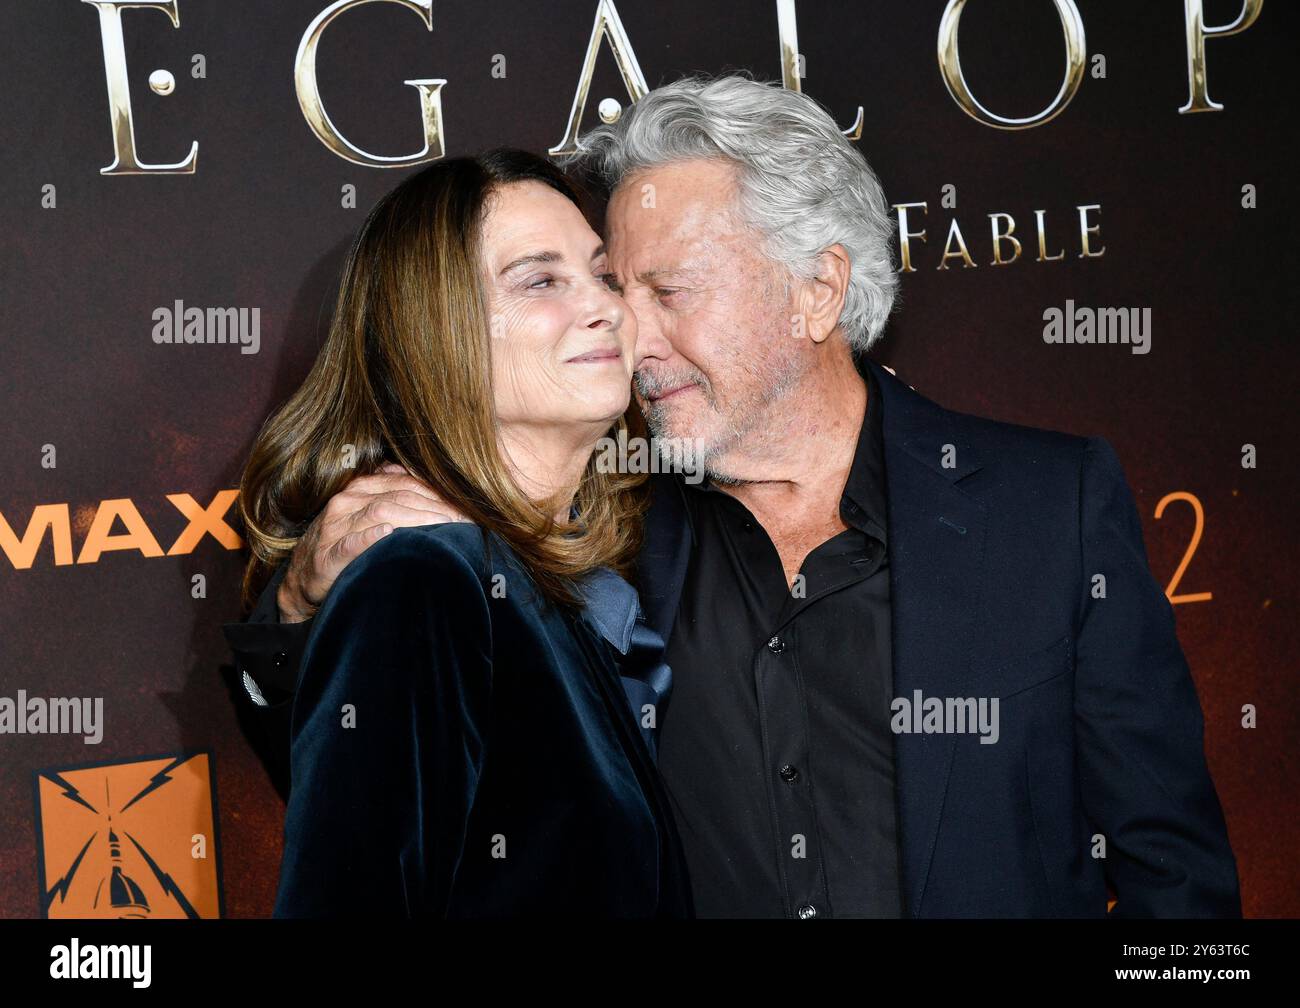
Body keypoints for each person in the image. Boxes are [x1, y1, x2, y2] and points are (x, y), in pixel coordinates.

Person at [227, 76, 1241, 918]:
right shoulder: (587, 542)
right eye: (617, 290)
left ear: (816, 289)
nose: (629, 331)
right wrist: (299, 612)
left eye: (668, 290)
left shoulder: (1048, 508)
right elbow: (393, 790)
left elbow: (1174, 878)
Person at [229, 149, 692, 917]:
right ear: (435, 334)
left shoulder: (568, 575)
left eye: (604, 275)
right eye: (540, 280)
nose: (606, 306)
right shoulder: (424, 577)